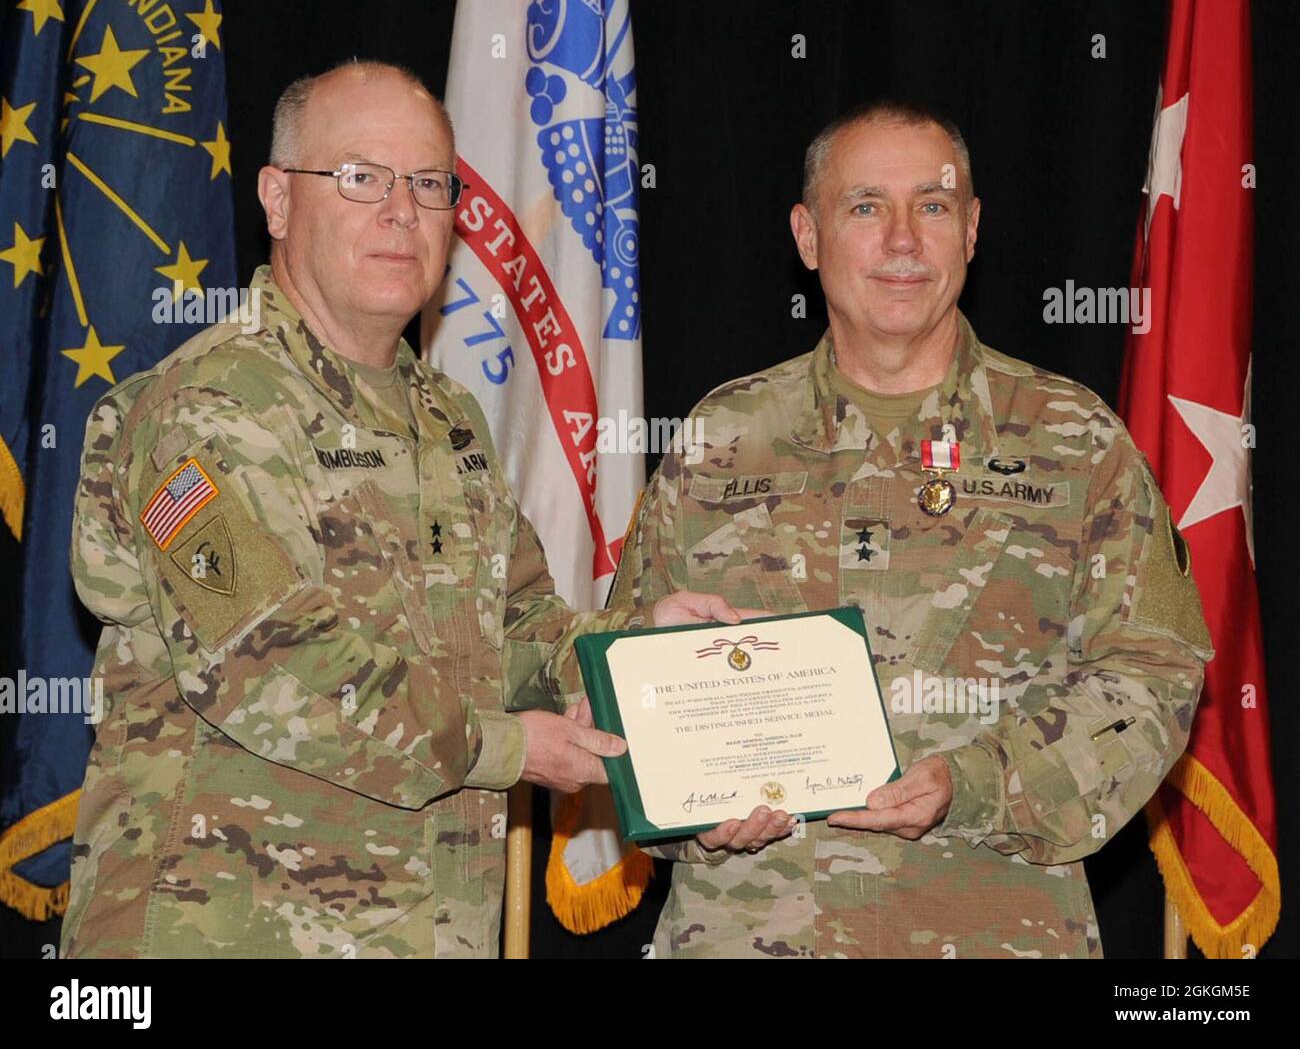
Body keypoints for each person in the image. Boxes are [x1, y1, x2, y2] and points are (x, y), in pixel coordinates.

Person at [61, 60, 768, 959]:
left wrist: (632, 658)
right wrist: (514, 751)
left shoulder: (446, 419)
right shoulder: (203, 407)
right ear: (278, 201)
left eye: (430, 184)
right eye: (360, 177)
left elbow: (513, 634)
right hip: (225, 931)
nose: (402, 211)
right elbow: (265, 666)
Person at [609, 99, 1212, 958]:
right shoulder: (717, 440)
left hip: (997, 929)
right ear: (808, 236)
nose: (902, 239)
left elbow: (1155, 680)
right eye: (865, 206)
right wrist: (692, 817)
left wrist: (976, 784)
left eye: (931, 206)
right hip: (750, 931)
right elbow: (629, 671)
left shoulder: (1074, 440)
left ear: (970, 230)